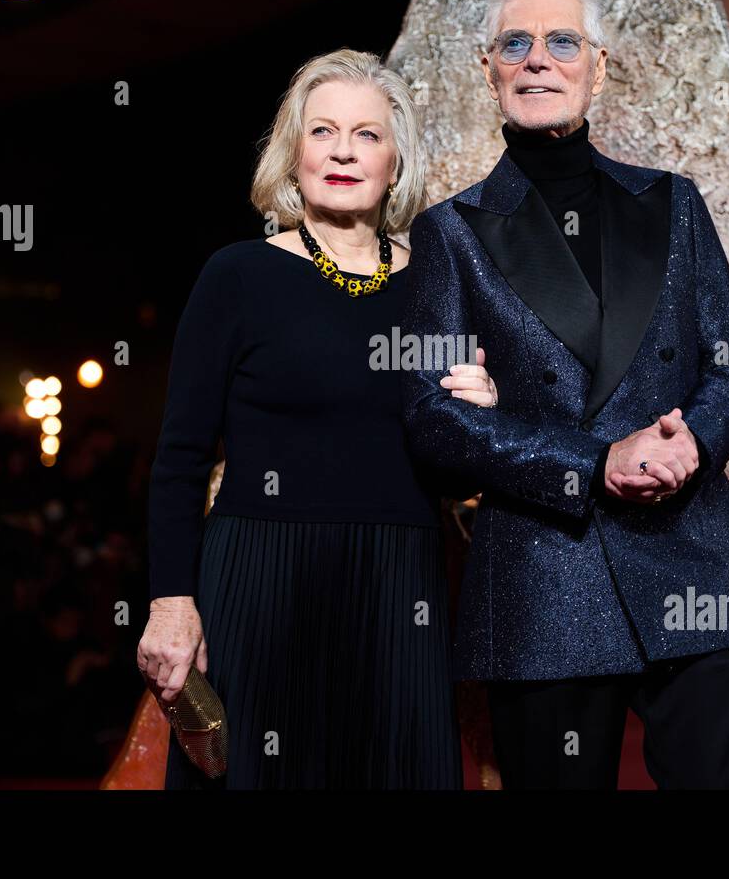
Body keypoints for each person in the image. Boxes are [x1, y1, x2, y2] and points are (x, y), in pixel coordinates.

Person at [400, 0, 729, 789]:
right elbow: (433, 418)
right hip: (546, 578)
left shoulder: (675, 203)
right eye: (516, 43)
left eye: (562, 42)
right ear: (489, 70)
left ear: (599, 67)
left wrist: (691, 445)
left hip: (692, 560)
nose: (538, 59)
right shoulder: (449, 232)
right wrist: (596, 463)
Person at [139, 49, 497, 788]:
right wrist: (171, 603)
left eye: (367, 134)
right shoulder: (238, 275)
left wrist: (481, 416)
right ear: (293, 153)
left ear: (396, 162)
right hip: (260, 582)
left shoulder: (438, 285)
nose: (342, 151)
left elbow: (449, 470)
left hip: (400, 590)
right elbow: (178, 459)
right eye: (323, 131)